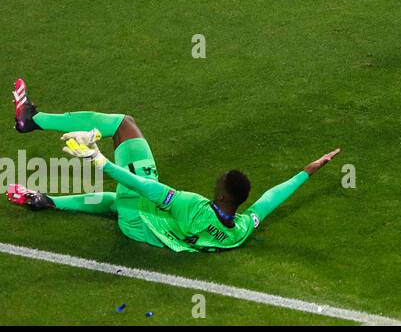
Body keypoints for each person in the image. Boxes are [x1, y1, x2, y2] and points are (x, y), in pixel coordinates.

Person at [7, 79, 338, 251]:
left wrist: (99, 160)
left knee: (124, 124)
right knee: (116, 203)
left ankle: (32, 120)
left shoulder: (192, 207)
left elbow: (147, 188)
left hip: (141, 216)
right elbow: (269, 201)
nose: (217, 182)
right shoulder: (238, 230)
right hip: (147, 230)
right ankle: (46, 201)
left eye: (220, 184)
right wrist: (307, 171)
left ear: (224, 198)